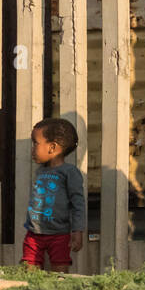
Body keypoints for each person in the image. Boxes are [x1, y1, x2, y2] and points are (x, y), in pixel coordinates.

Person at [21, 117, 87, 273]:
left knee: (60, 269)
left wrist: (78, 231)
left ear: (52, 147)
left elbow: (78, 203)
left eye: (35, 143)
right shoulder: (41, 171)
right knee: (28, 268)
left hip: (59, 234)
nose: (32, 149)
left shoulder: (69, 172)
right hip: (34, 233)